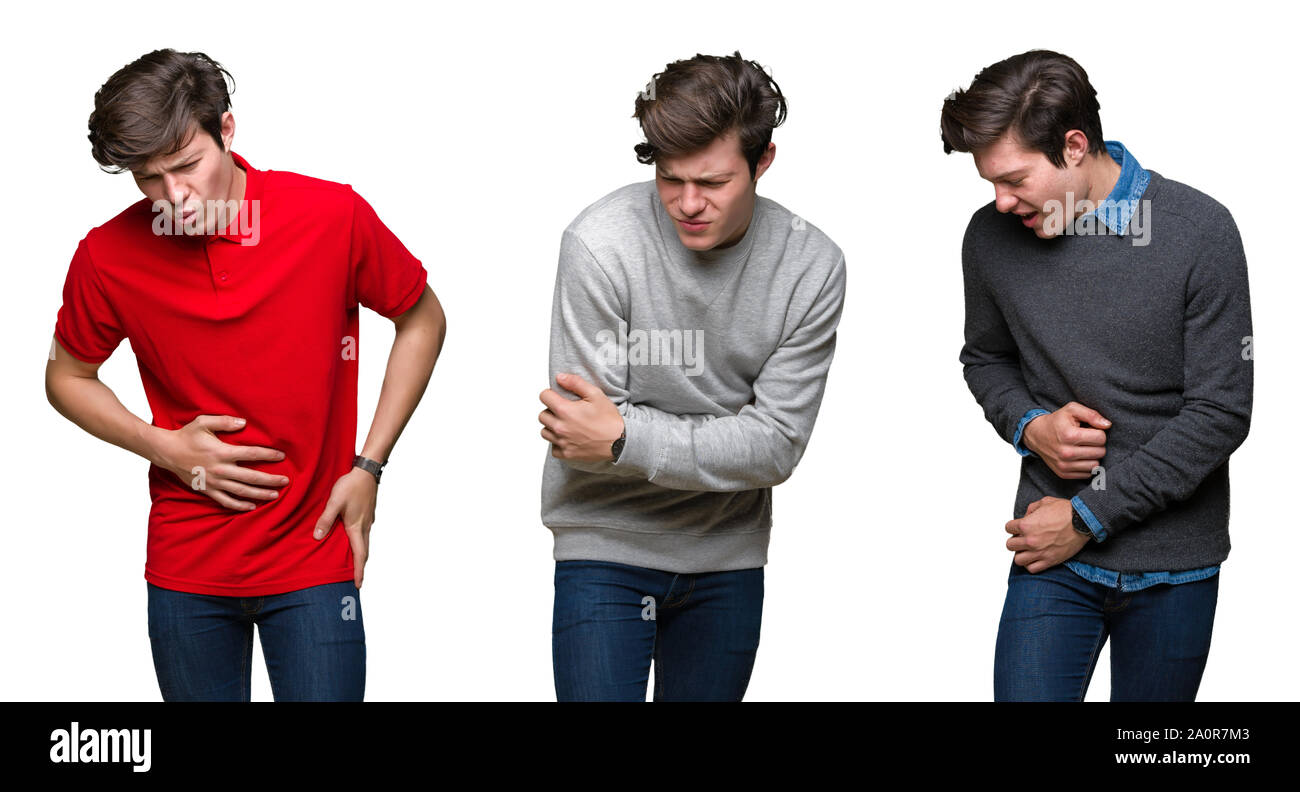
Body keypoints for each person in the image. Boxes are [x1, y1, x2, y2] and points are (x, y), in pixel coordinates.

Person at [45, 49, 446, 701]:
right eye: (149, 179)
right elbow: (67, 376)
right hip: (186, 564)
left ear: (226, 131)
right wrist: (164, 446)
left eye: (186, 166)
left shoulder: (330, 216)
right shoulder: (107, 254)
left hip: (311, 552)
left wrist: (368, 467)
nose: (174, 196)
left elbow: (421, 319)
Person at [941, 50, 1252, 701]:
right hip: (1049, 553)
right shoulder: (990, 239)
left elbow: (1221, 412)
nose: (1000, 202)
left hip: (1173, 564)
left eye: (1016, 179)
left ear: (1074, 146)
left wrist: (1087, 515)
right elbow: (986, 359)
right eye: (988, 182)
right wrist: (1031, 426)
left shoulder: (1200, 232)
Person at [538, 51, 846, 701]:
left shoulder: (811, 265)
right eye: (670, 179)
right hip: (604, 547)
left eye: (712, 182)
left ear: (762, 162)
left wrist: (626, 436)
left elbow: (776, 447)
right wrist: (717, 437)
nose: (687, 204)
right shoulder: (601, 243)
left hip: (727, 561)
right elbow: (578, 437)